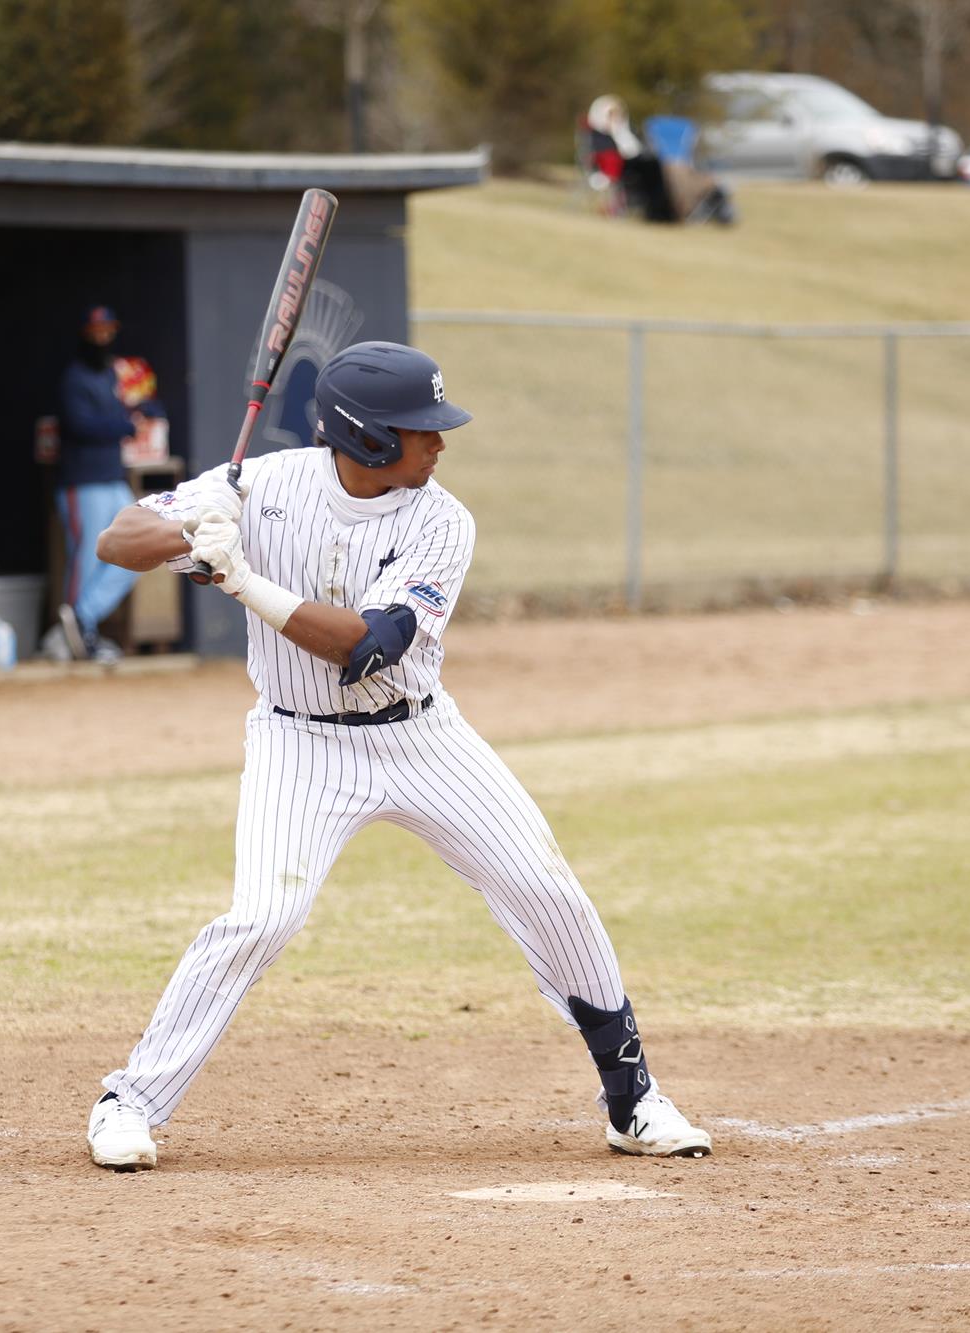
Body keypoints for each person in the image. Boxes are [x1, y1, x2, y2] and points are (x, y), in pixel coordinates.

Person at [83, 341, 712, 1171]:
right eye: (424, 430)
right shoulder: (262, 486)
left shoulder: (443, 520)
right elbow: (115, 542)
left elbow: (369, 647)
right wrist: (187, 525)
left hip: (423, 736)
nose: (441, 443)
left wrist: (240, 581)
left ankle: (632, 1099)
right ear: (370, 439)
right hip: (297, 742)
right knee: (261, 918)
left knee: (544, 885)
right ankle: (128, 1102)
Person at [53, 305, 164, 665]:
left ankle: (81, 619)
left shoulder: (115, 374)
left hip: (113, 477)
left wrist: (144, 410)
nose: (102, 336)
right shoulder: (74, 377)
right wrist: (125, 424)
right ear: (85, 333)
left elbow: (143, 403)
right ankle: (68, 634)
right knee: (87, 556)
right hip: (82, 480)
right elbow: (78, 425)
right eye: (96, 330)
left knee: (137, 551)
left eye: (107, 330)